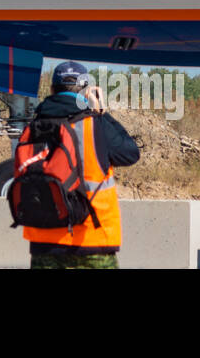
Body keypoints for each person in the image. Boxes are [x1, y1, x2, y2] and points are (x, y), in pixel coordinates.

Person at [22, 61, 139, 269]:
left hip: (44, 241)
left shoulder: (33, 127)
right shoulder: (94, 124)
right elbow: (130, 153)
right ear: (85, 91)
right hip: (91, 240)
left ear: (51, 89)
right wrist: (101, 113)